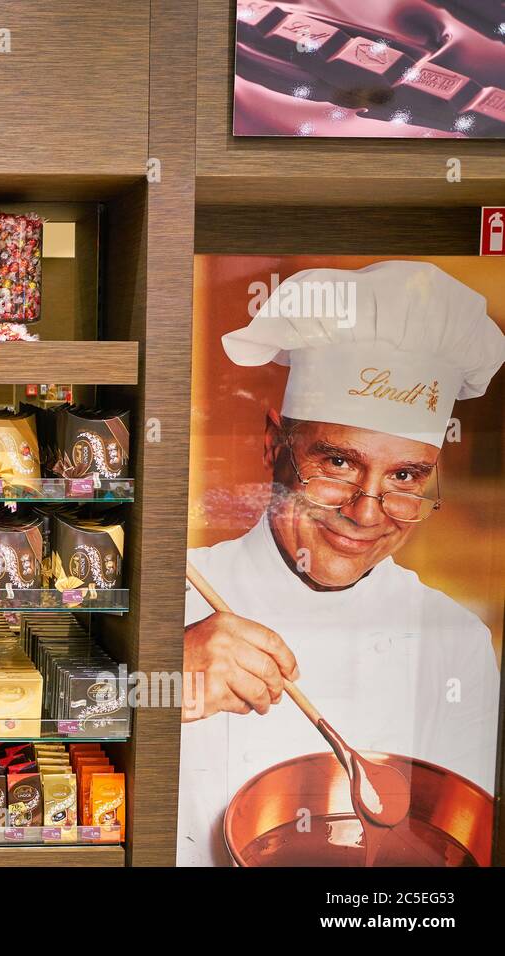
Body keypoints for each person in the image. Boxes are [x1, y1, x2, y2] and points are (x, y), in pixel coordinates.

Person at [179, 260, 505, 866]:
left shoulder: (455, 641)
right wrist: (162, 682)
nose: (365, 511)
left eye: (405, 476)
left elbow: (451, 850)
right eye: (338, 464)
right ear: (274, 446)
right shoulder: (176, 592)